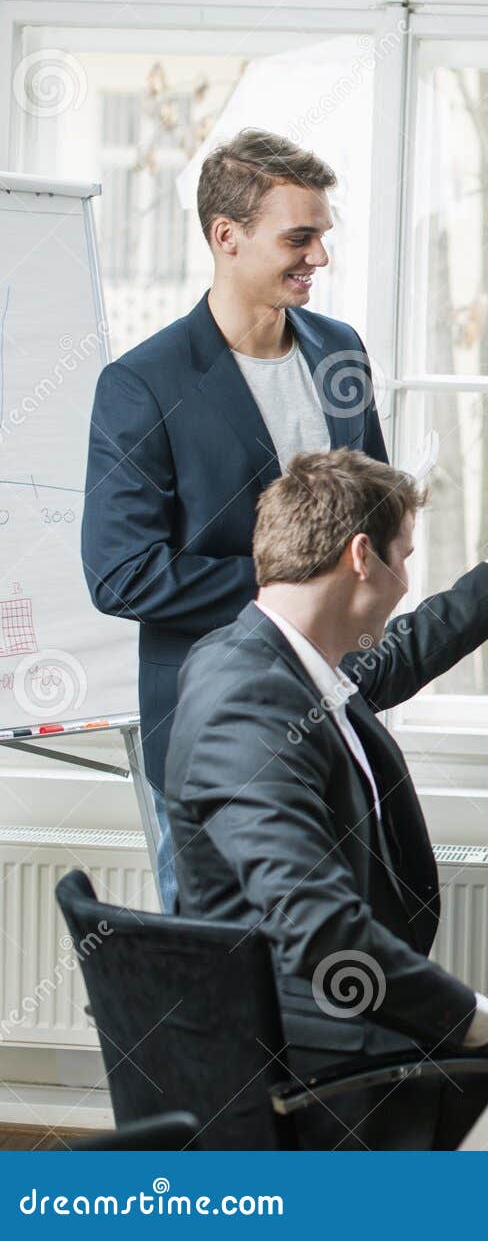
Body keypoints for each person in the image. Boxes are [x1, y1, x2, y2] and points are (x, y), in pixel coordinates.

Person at [165, 435, 488, 1149]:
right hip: (312, 1061)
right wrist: (486, 1022)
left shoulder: (290, 666)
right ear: (360, 557)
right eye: (404, 557)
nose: (407, 580)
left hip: (341, 1023)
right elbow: (318, 929)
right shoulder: (245, 700)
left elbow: (411, 646)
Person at [82, 129, 387, 913]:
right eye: (299, 237)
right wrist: (285, 595)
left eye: (322, 235)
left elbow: (378, 511)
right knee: (223, 975)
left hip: (341, 712)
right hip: (210, 728)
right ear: (227, 237)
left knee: (338, 949)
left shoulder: (339, 350)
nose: (319, 256)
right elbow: (119, 574)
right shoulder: (141, 384)